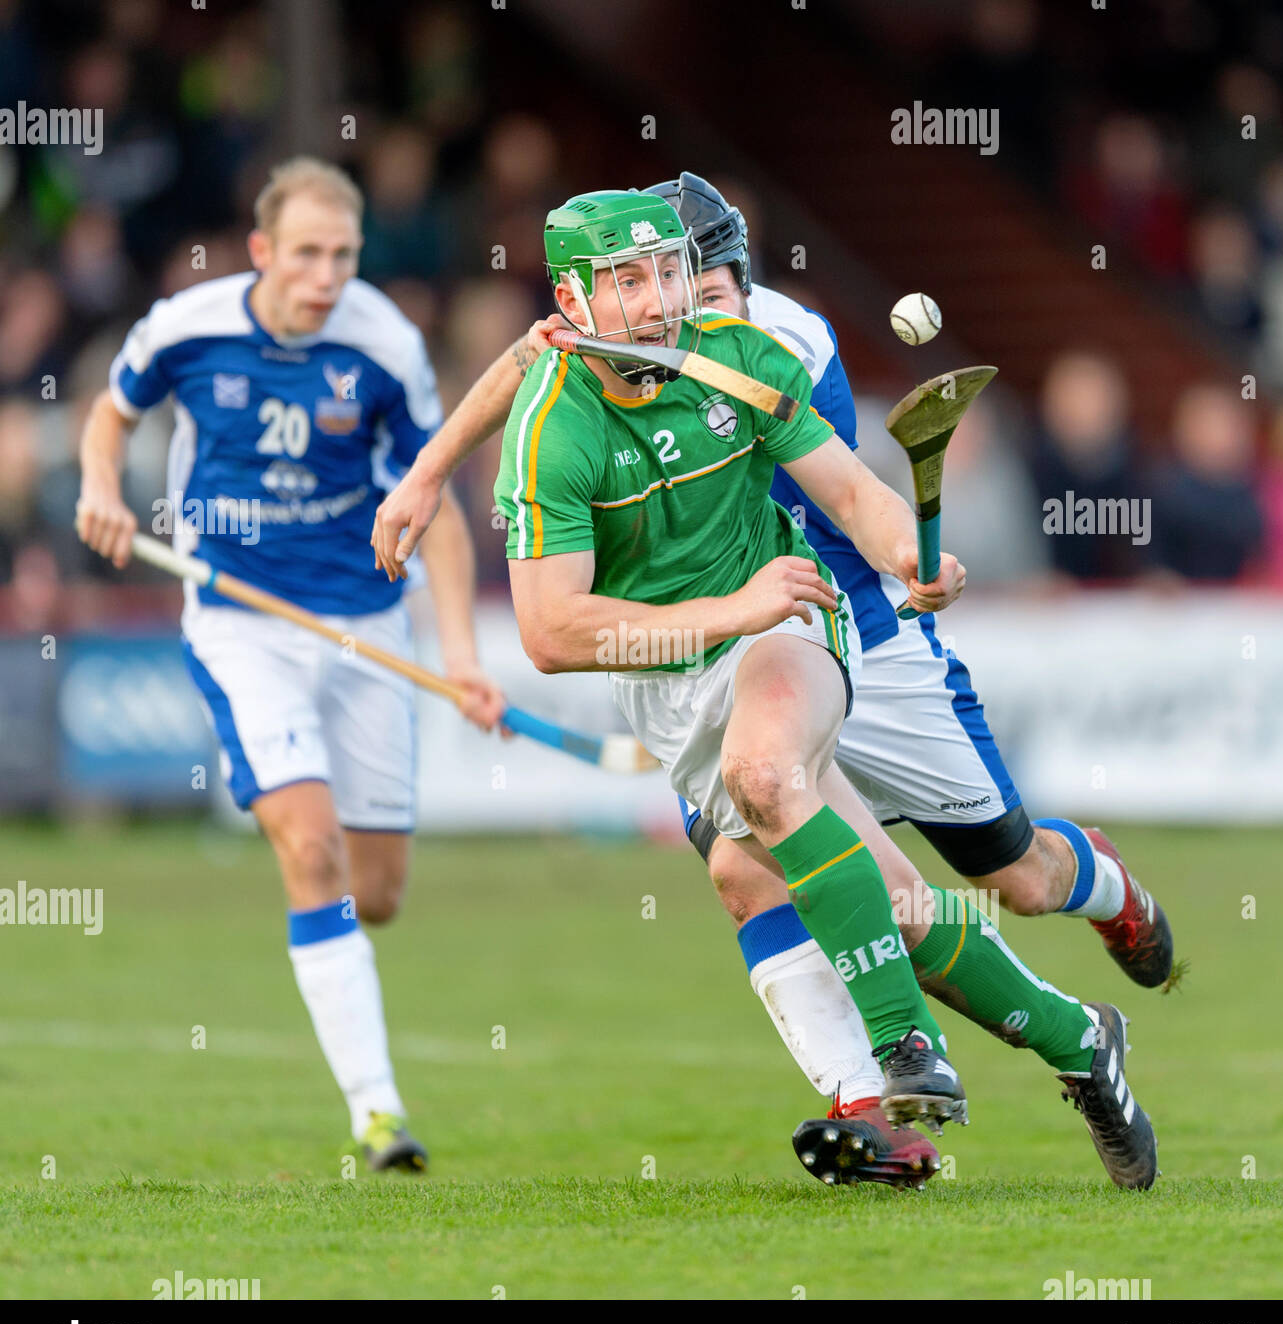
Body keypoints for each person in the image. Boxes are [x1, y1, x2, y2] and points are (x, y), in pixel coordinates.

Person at [371, 180, 1162, 1190]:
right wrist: (431, 470)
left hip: (799, 624)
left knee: (824, 795)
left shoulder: (744, 352)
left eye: (667, 271)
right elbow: (553, 633)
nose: (660, 298)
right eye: (628, 280)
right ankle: (1075, 1039)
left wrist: (908, 557)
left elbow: (853, 491)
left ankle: (896, 1062)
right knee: (876, 901)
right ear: (573, 304)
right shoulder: (547, 427)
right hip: (672, 669)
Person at [76, 156, 505, 1171]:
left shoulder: (386, 344)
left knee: (379, 891)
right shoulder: (189, 325)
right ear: (263, 250)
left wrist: (461, 653)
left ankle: (336, 958)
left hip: (364, 622)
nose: (326, 275)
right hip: (241, 622)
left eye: (344, 255)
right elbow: (111, 411)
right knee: (311, 854)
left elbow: (428, 499)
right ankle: (377, 1114)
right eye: (306, 253)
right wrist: (102, 487)